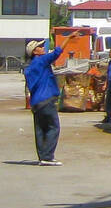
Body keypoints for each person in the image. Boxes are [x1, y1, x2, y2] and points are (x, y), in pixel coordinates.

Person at [25, 34, 77, 165]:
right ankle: (48, 157)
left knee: (40, 130)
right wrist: (69, 38)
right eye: (40, 47)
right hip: (46, 100)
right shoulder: (41, 61)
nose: (43, 48)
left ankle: (42, 156)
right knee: (53, 127)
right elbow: (57, 52)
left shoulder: (30, 68)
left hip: (36, 103)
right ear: (35, 51)